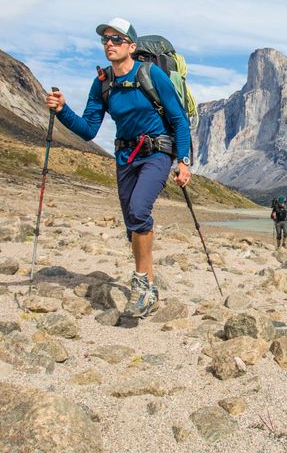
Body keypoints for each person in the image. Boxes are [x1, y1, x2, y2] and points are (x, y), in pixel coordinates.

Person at [45, 18, 191, 319]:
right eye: (105, 40)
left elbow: (178, 120)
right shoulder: (102, 83)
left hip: (157, 153)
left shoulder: (151, 75)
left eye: (116, 39)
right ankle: (149, 286)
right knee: (132, 225)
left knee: (139, 211)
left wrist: (183, 161)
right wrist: (62, 111)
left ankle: (141, 285)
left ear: (132, 47)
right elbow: (87, 129)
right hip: (125, 157)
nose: (109, 44)